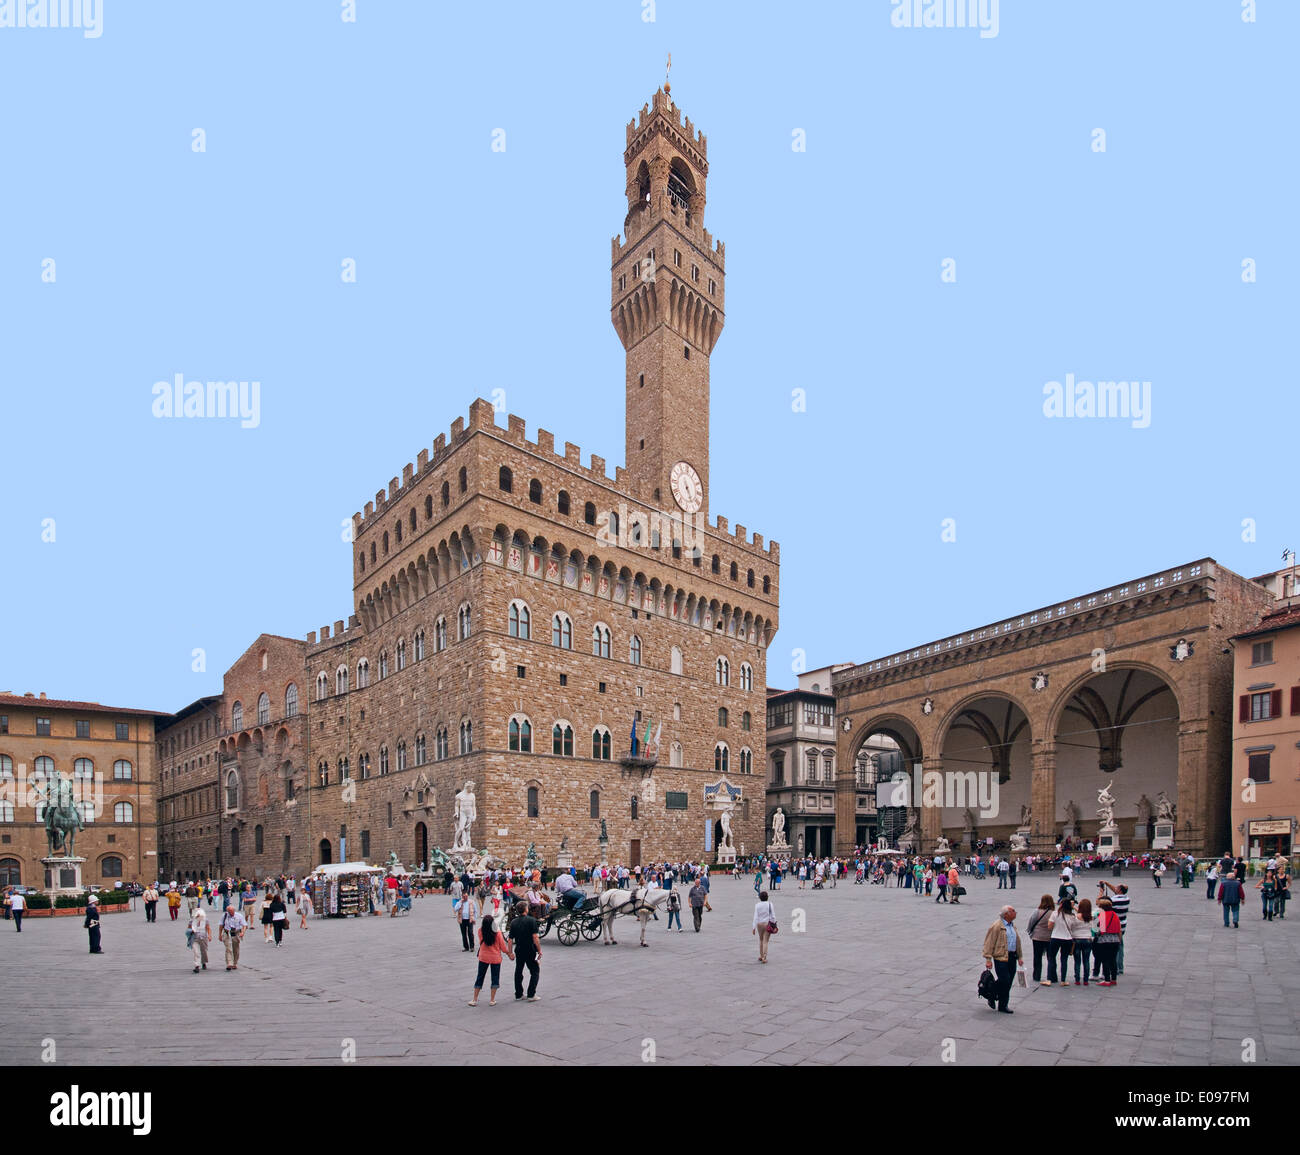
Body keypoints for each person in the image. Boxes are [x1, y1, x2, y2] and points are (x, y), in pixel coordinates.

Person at [981, 905, 1024, 1013]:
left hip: (1012, 956)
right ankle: (991, 994)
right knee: (1005, 980)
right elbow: (989, 943)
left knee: (1008, 982)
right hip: (1001, 957)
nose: (1016, 912)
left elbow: (1017, 942)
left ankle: (1002, 1004)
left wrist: (1020, 956)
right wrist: (988, 959)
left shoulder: (1012, 926)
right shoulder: (996, 926)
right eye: (1013, 911)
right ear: (1006, 914)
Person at [468, 915, 513, 1007]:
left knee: (480, 977)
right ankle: (492, 1000)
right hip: (495, 958)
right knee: (495, 978)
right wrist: (509, 954)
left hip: (483, 957)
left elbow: (482, 940)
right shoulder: (497, 933)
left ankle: (474, 999)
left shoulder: (480, 931)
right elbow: (503, 948)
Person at [508, 903, 542, 1001]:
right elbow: (535, 937)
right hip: (530, 949)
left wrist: (510, 953)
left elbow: (510, 940)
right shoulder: (531, 920)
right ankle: (531, 994)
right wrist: (539, 950)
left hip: (519, 949)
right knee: (535, 971)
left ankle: (518, 994)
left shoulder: (514, 922)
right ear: (526, 909)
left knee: (518, 971)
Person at [1046, 897, 1078, 985]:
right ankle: (1063, 980)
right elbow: (1074, 927)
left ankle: (1049, 979)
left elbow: (1049, 926)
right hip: (1067, 939)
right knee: (1064, 959)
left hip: (1055, 937)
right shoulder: (1072, 916)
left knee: (1051, 957)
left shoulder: (1055, 913)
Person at [1027, 894, 1056, 984]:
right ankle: (1052, 976)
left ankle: (1036, 976)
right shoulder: (1053, 913)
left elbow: (1031, 922)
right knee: (1051, 957)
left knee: (1037, 957)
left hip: (1037, 937)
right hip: (1050, 937)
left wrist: (1030, 931)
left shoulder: (1037, 911)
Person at [1093, 898, 1122, 985]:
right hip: (1115, 940)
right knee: (1113, 960)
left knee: (1105, 960)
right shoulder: (1115, 915)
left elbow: (1098, 930)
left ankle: (1107, 980)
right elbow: (1119, 929)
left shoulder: (1102, 915)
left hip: (1104, 940)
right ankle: (1114, 979)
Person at [1071, 898, 1094, 985]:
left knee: (1077, 961)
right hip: (1087, 939)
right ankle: (1086, 980)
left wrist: (1073, 907)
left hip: (1076, 939)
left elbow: (1072, 927)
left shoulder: (1075, 917)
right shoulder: (1091, 917)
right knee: (1086, 960)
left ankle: (1077, 979)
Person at [219, 904, 246, 970]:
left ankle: (235, 963)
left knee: (235, 949)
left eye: (231, 911)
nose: (230, 913)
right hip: (227, 932)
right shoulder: (225, 915)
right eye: (229, 911)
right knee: (228, 948)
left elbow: (244, 925)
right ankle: (229, 963)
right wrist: (219, 934)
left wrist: (242, 932)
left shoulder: (239, 916)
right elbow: (221, 925)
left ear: (234, 910)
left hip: (236, 932)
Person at [752, 890, 776, 963]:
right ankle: (764, 958)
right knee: (766, 941)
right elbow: (773, 915)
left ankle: (761, 955)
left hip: (759, 924)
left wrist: (753, 927)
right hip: (767, 924)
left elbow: (755, 916)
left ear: (760, 898)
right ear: (767, 897)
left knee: (761, 940)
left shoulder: (757, 905)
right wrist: (774, 924)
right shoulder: (770, 904)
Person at [189, 904, 211, 972]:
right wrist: (190, 930)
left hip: (203, 936)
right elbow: (188, 928)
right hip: (194, 937)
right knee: (196, 952)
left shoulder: (205, 920)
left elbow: (208, 928)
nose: (199, 917)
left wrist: (209, 935)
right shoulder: (192, 920)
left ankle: (203, 962)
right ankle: (197, 965)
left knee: (204, 950)